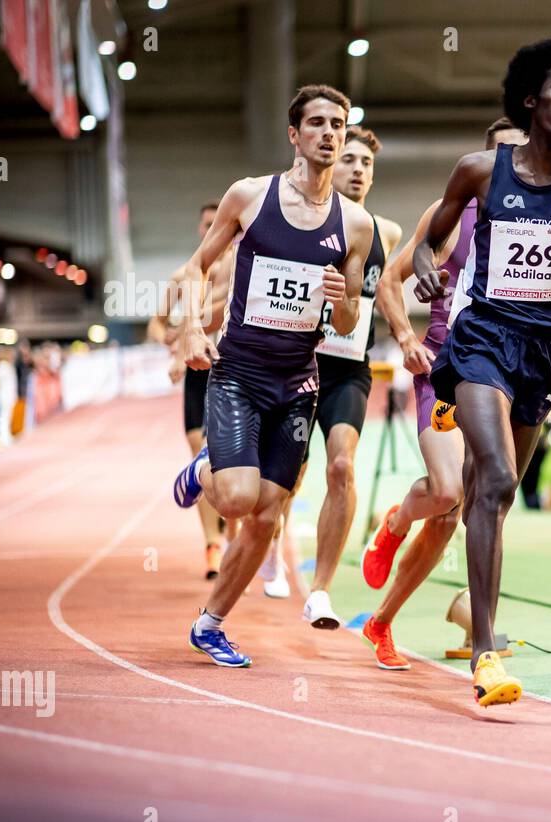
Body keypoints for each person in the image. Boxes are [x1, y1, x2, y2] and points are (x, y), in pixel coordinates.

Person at [412, 38, 551, 705]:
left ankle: (471, 619)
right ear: (531, 99)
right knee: (497, 474)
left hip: (546, 352)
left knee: (495, 496)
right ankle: (484, 652)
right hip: (482, 340)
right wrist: (424, 265)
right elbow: (430, 242)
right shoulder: (480, 170)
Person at [170, 84, 376, 668]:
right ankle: (206, 469)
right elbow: (195, 267)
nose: (329, 133)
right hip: (239, 372)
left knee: (266, 516)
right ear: (295, 134)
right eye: (316, 123)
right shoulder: (250, 197)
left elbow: (348, 317)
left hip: (298, 384)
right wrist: (189, 328)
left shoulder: (355, 225)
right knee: (236, 499)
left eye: (338, 123)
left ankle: (210, 625)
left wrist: (342, 298)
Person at [358, 117, 527, 671]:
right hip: (444, 369)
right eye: (502, 157)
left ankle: (382, 622)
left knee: (457, 516)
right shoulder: (451, 212)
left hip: (503, 375)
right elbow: (389, 279)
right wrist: (406, 339)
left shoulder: (542, 223)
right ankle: (395, 521)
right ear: (484, 164)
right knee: (449, 490)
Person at [261, 125, 404, 626]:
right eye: (350, 161)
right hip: (297, 366)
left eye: (367, 163)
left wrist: (407, 335)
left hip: (348, 371)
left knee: (341, 466)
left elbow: (386, 291)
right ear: (330, 164)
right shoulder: (300, 222)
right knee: (289, 475)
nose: (359, 170)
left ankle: (320, 590)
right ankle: (272, 548)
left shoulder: (384, 232)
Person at [150, 203, 235, 579]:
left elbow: (219, 310)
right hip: (198, 369)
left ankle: (232, 535)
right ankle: (212, 545)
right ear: (202, 229)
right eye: (206, 224)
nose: (212, 229)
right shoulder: (184, 274)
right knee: (199, 450)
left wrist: (189, 325)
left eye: (218, 223)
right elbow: (156, 322)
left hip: (233, 365)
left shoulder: (240, 269)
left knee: (232, 456)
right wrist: (170, 340)